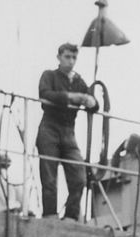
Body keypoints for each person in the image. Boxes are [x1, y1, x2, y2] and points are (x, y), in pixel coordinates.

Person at [36, 43, 97, 220]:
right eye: (67, 57)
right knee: (49, 177)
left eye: (74, 58)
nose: (71, 61)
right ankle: (50, 215)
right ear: (59, 57)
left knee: (79, 177)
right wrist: (71, 97)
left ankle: (71, 216)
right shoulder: (49, 76)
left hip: (68, 132)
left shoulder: (78, 81)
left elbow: (94, 103)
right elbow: (45, 94)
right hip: (49, 129)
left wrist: (91, 100)